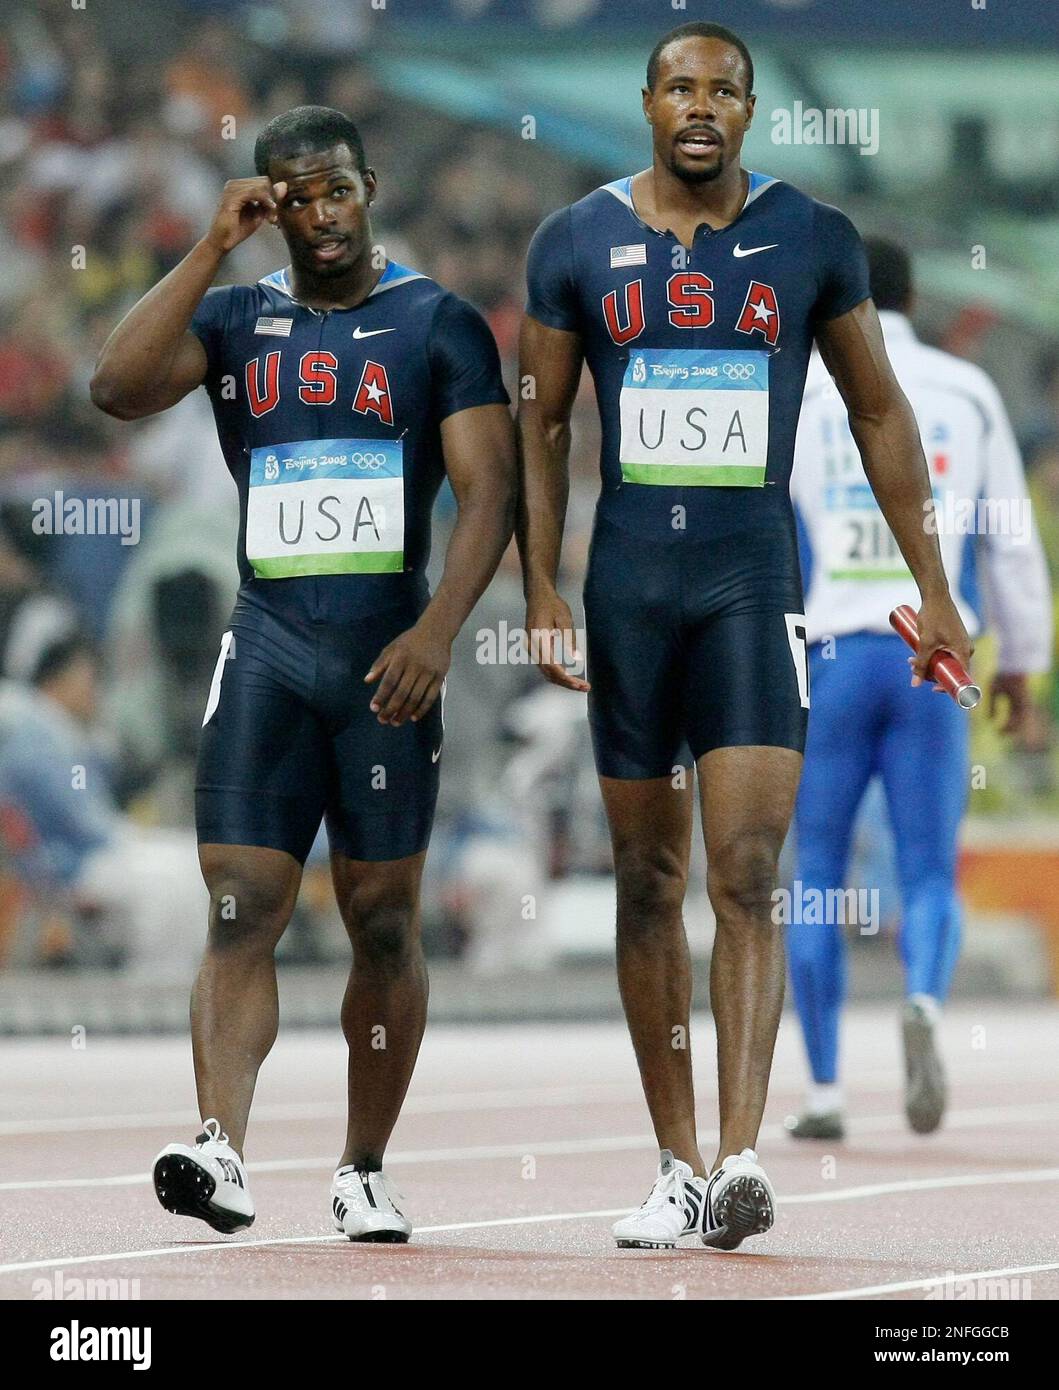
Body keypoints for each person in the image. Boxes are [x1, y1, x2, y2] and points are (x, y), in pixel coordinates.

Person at [516, 22, 972, 1250]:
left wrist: (933, 581)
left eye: (724, 88)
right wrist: (541, 590)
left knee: (751, 872)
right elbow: (543, 426)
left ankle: (739, 1155)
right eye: (680, 87)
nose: (701, 105)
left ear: (753, 108)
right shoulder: (574, 241)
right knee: (647, 879)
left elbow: (879, 411)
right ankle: (671, 1160)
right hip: (625, 594)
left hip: (750, 586)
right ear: (648, 102)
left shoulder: (813, 238)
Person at [91, 105, 516, 1240]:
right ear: (266, 203)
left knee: (382, 920)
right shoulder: (234, 317)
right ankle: (220, 1147)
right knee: (241, 905)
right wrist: (209, 246)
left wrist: (438, 630)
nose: (317, 215)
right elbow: (116, 387)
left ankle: (363, 1165)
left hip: (387, 660)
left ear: (370, 187)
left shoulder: (437, 324)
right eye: (292, 196)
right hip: (270, 644)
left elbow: (490, 492)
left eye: (335, 190)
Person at [786, 237, 1051, 1139]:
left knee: (815, 876)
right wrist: (1023, 667)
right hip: (932, 659)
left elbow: (767, 534)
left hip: (831, 657)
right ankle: (926, 1005)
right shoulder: (967, 391)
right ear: (914, 296)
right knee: (929, 866)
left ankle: (822, 1092)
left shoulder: (806, 391)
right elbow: (1009, 540)